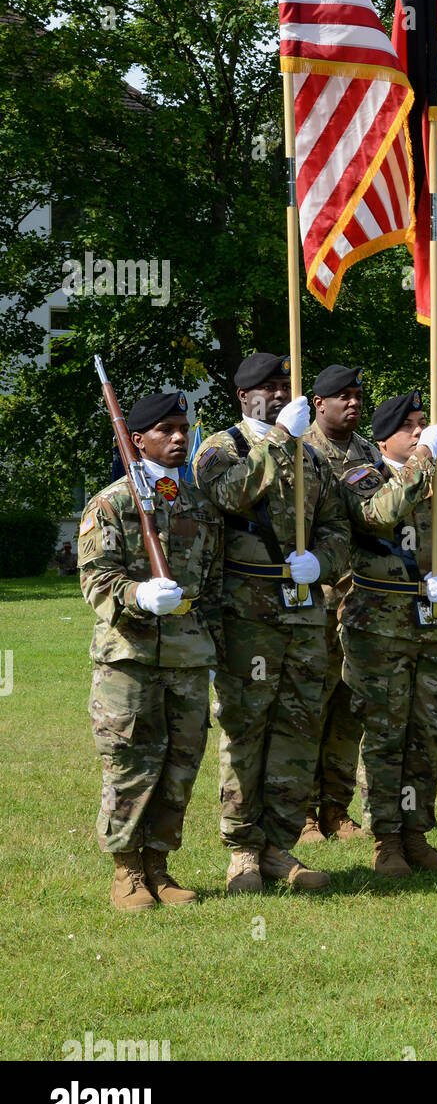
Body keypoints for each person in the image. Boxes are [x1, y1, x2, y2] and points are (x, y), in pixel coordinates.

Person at [192, 352, 349, 896]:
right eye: (268, 386)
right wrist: (280, 439)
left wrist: (323, 562)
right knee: (247, 726)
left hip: (304, 613)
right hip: (247, 614)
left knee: (298, 728)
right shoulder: (221, 447)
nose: (281, 393)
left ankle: (279, 845)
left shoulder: (312, 456)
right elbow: (228, 493)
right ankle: (241, 850)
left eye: (285, 384)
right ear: (243, 396)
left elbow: (336, 526)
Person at [78, 390, 222, 911]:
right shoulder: (112, 503)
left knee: (180, 766)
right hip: (130, 658)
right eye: (166, 430)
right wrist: (137, 594)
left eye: (183, 427)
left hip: (188, 657)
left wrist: (215, 650)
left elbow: (215, 584)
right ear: (137, 440)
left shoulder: (200, 507)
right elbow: (97, 579)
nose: (179, 437)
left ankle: (159, 866)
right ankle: (127, 872)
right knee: (130, 763)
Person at [338, 391, 437, 876]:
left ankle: (416, 833)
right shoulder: (361, 479)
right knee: (385, 734)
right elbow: (379, 514)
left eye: (425, 424)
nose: (422, 432)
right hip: (379, 632)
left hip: (436, 630)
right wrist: (422, 461)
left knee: (429, 735)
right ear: (385, 439)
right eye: (411, 427)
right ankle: (386, 840)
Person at [301, 363, 379, 844]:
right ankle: (304, 812)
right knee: (313, 702)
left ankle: (337, 807)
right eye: (342, 396)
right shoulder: (300, 451)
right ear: (319, 404)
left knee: (351, 705)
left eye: (357, 394)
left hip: (364, 601)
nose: (353, 402)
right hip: (319, 601)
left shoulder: (370, 452)